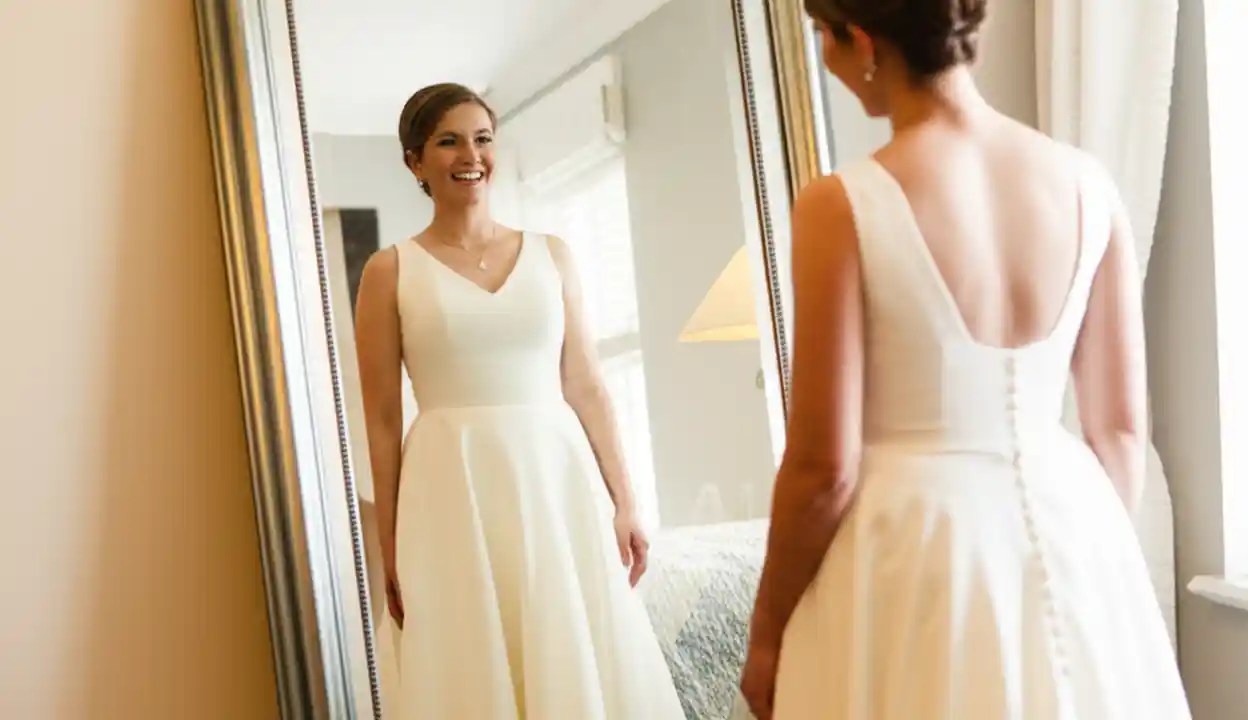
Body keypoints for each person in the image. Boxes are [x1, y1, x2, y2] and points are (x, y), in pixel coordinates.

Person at [739, 1, 1193, 718]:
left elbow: (824, 468)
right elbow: (1122, 433)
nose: (826, 56)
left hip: (914, 550)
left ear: (861, 41)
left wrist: (765, 634)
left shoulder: (839, 206)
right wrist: (1098, 565)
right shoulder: (1089, 184)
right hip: (1073, 521)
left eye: (821, 36)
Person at [354, 82, 683, 719]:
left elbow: (584, 383)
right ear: (414, 161)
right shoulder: (389, 271)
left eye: (482, 138)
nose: (469, 155)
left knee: (570, 646)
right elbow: (382, 418)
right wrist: (391, 547)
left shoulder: (551, 255)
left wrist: (627, 502)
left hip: (552, 479)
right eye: (448, 140)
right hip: (450, 490)